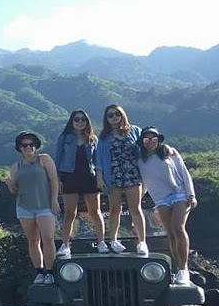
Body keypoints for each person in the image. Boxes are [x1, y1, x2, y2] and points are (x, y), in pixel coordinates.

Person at [137, 127, 197, 284]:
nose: (150, 142)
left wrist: (191, 194)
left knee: (178, 228)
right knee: (170, 233)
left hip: (179, 194)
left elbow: (184, 172)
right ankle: (178, 268)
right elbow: (144, 183)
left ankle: (184, 269)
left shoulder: (168, 153)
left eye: (154, 138)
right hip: (160, 198)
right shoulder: (140, 160)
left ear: (159, 139)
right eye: (146, 139)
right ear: (142, 142)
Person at [7, 132, 60, 285]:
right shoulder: (16, 167)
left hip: (45, 206)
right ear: (20, 148)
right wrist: (10, 185)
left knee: (48, 239)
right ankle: (39, 271)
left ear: (36, 146)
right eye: (25, 145)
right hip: (24, 207)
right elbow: (15, 190)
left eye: (31, 144)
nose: (28, 147)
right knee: (33, 240)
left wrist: (54, 199)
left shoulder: (44, 159)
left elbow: (54, 180)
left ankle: (50, 272)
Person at [96, 104, 147, 255]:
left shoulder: (135, 131)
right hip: (113, 174)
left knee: (135, 208)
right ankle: (114, 240)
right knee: (114, 209)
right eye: (110, 115)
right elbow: (98, 159)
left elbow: (146, 149)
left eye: (116, 114)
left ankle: (142, 241)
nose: (114, 117)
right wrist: (99, 177)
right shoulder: (104, 137)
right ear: (106, 119)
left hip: (132, 173)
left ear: (122, 115)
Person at [54, 109, 105, 258]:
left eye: (83, 119)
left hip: (89, 178)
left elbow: (97, 161)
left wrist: (100, 179)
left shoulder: (92, 139)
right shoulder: (64, 137)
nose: (80, 122)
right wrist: (57, 180)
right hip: (70, 177)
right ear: (71, 121)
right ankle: (65, 245)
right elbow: (57, 160)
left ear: (87, 122)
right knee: (70, 213)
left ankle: (101, 242)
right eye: (77, 119)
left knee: (95, 212)